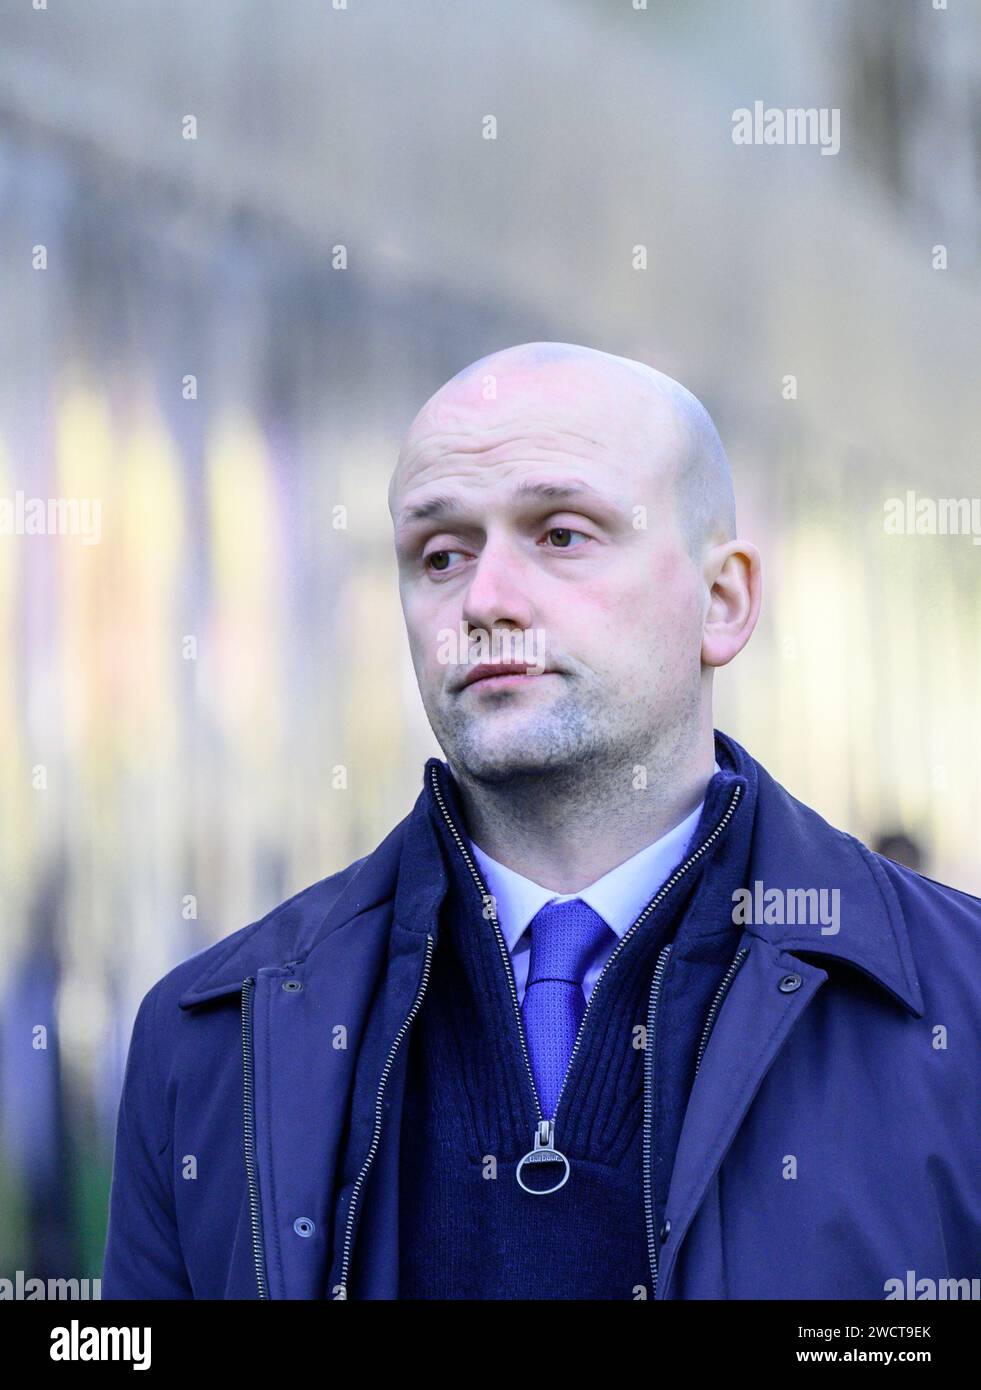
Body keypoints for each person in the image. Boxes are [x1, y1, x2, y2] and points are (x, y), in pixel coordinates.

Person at [102, 342, 981, 1300]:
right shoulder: (210, 1043)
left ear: (720, 602)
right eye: (440, 555)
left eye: (561, 534)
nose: (485, 600)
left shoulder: (959, 1008)